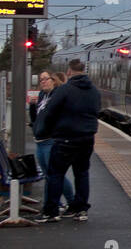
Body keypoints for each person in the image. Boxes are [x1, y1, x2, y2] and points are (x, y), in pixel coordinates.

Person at [34, 59, 101, 223]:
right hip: (87, 139)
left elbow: (50, 112)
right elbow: (96, 111)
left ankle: (51, 211)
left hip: (65, 139)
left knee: (55, 174)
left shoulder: (64, 90)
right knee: (82, 174)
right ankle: (80, 209)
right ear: (84, 71)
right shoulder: (94, 91)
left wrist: (47, 130)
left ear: (69, 72)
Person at [31, 72, 76, 211]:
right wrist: (32, 106)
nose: (43, 82)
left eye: (46, 79)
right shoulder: (42, 96)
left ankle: (68, 203)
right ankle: (54, 204)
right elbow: (35, 119)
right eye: (41, 80)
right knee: (50, 176)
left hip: (51, 141)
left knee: (55, 176)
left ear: (54, 81)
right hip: (40, 141)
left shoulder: (57, 96)